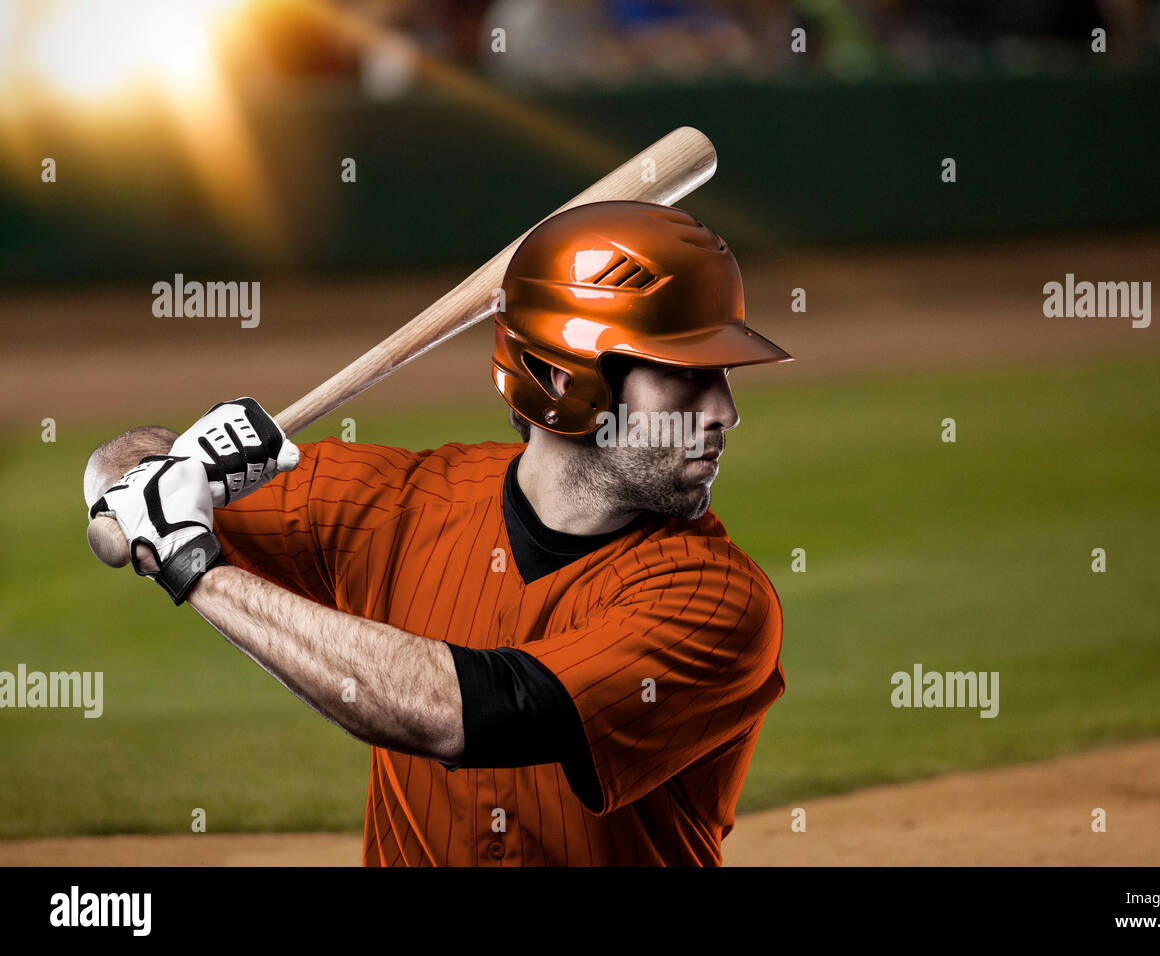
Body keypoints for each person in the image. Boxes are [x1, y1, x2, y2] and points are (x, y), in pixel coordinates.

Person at [86, 200, 792, 866]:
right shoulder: (393, 501)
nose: (725, 412)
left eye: (722, 375)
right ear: (560, 378)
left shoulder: (719, 601)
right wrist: (173, 466)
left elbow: (453, 711)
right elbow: (114, 478)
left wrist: (196, 568)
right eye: (687, 377)